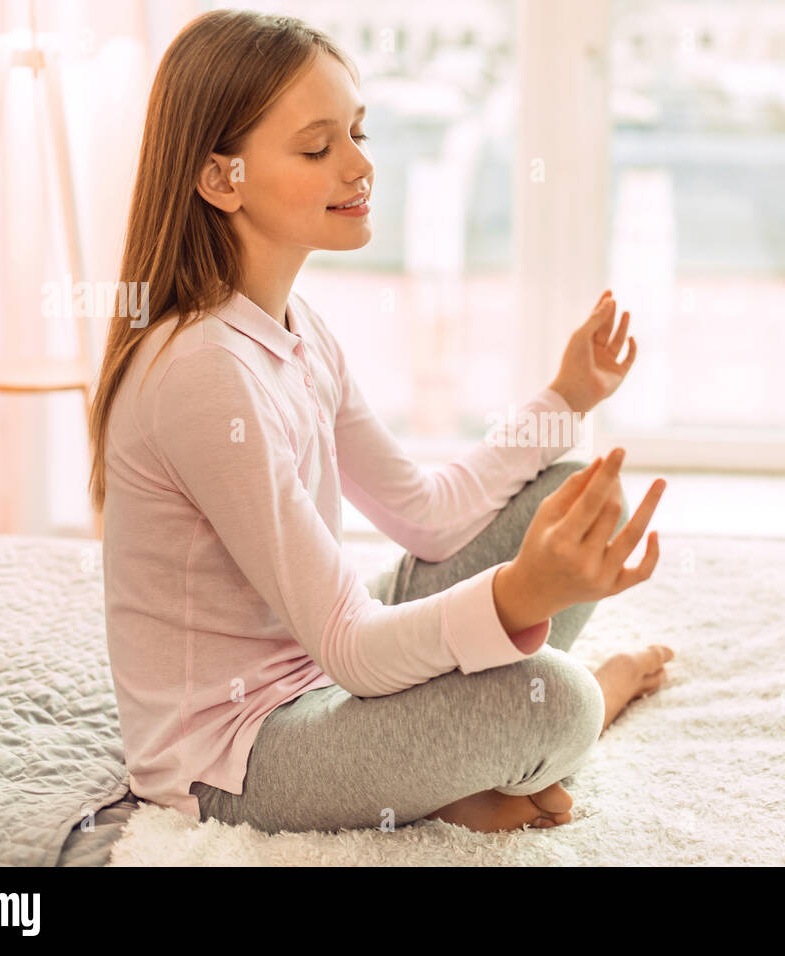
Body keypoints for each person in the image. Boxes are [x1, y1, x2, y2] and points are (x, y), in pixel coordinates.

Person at [87, 9, 673, 835]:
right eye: (318, 147)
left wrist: (568, 397)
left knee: (565, 493)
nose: (362, 165)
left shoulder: (297, 329)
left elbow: (428, 518)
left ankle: (452, 777)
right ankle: (541, 731)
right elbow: (352, 649)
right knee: (562, 700)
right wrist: (520, 595)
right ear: (222, 179)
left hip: (321, 672)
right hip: (236, 755)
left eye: (358, 133)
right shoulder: (201, 375)